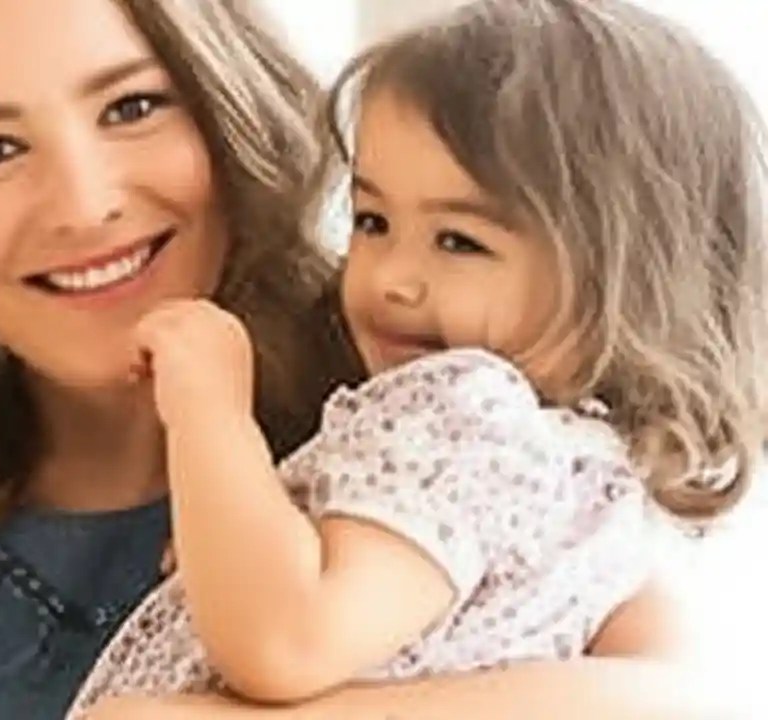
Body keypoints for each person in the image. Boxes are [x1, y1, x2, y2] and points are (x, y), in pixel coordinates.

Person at [0, 1, 700, 718]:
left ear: (230, 106)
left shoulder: (439, 453)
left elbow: (674, 700)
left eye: (134, 106)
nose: (85, 201)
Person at [67, 0, 768, 717]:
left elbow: (284, 642)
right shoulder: (596, 490)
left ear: (627, 278)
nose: (389, 278)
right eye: (372, 221)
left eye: (460, 241)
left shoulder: (466, 409)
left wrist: (210, 414)